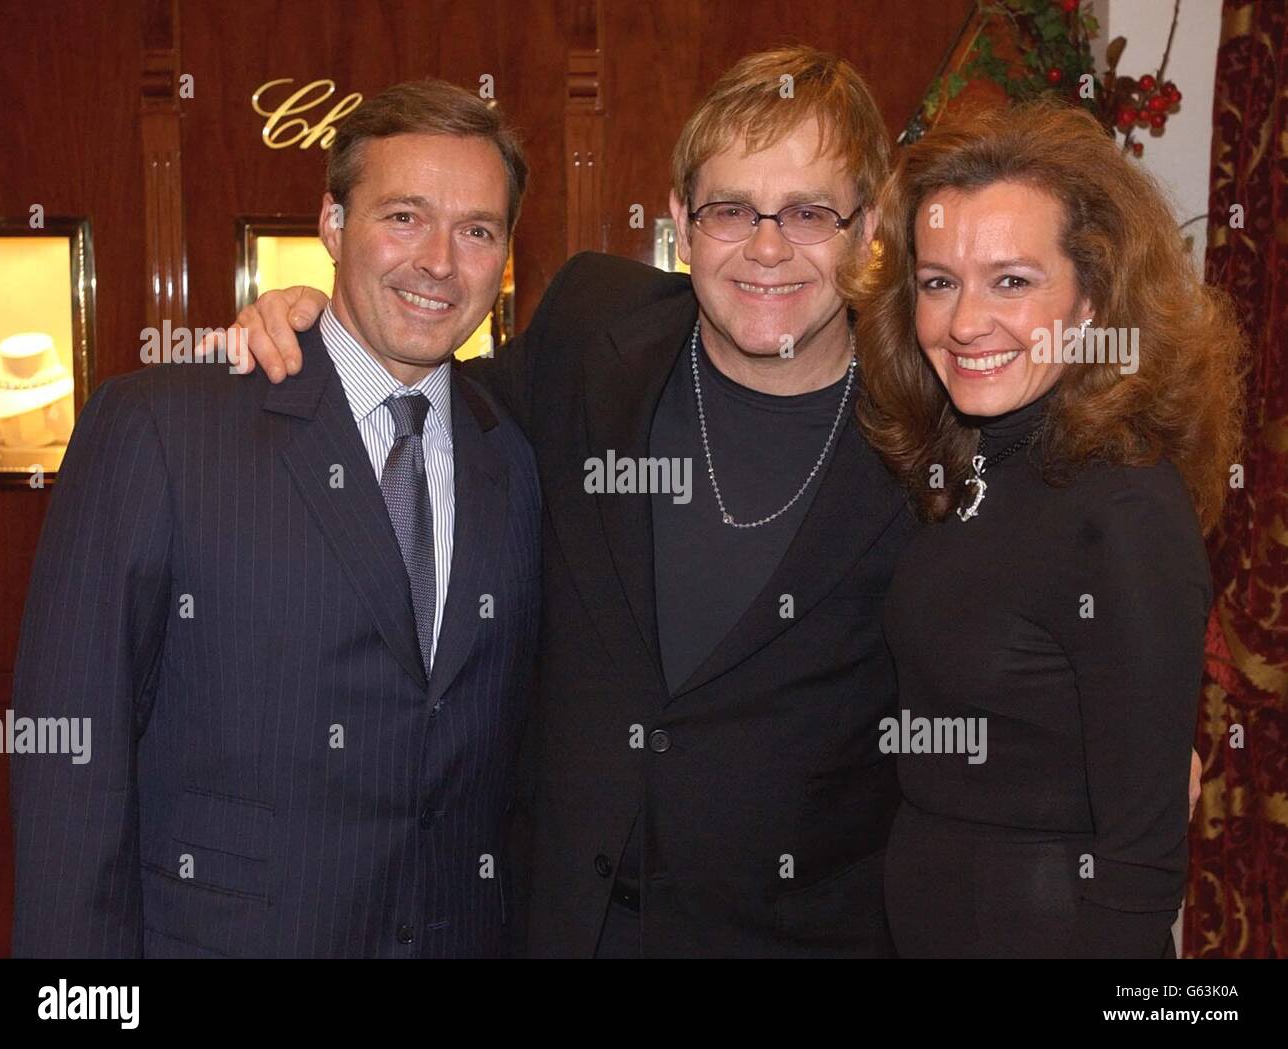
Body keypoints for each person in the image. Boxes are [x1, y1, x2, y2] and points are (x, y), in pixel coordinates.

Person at [218, 51, 1204, 957]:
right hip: (553, 925)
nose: (765, 248)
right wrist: (324, 319)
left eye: (809, 212)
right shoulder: (587, 333)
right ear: (681, 226)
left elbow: (1031, 667)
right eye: (731, 209)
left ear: (867, 232)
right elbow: (433, 399)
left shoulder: (935, 428)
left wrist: (1137, 767)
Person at [11, 80, 541, 957]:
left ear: (505, 255)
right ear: (332, 226)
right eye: (404, 217)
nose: (440, 261)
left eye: (478, 230)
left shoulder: (517, 456)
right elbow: (74, 766)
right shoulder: (161, 429)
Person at [842, 101, 1244, 957]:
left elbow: (1140, 866)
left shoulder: (1125, 508)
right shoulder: (969, 462)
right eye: (939, 280)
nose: (965, 322)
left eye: (1013, 281)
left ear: (1094, 299)